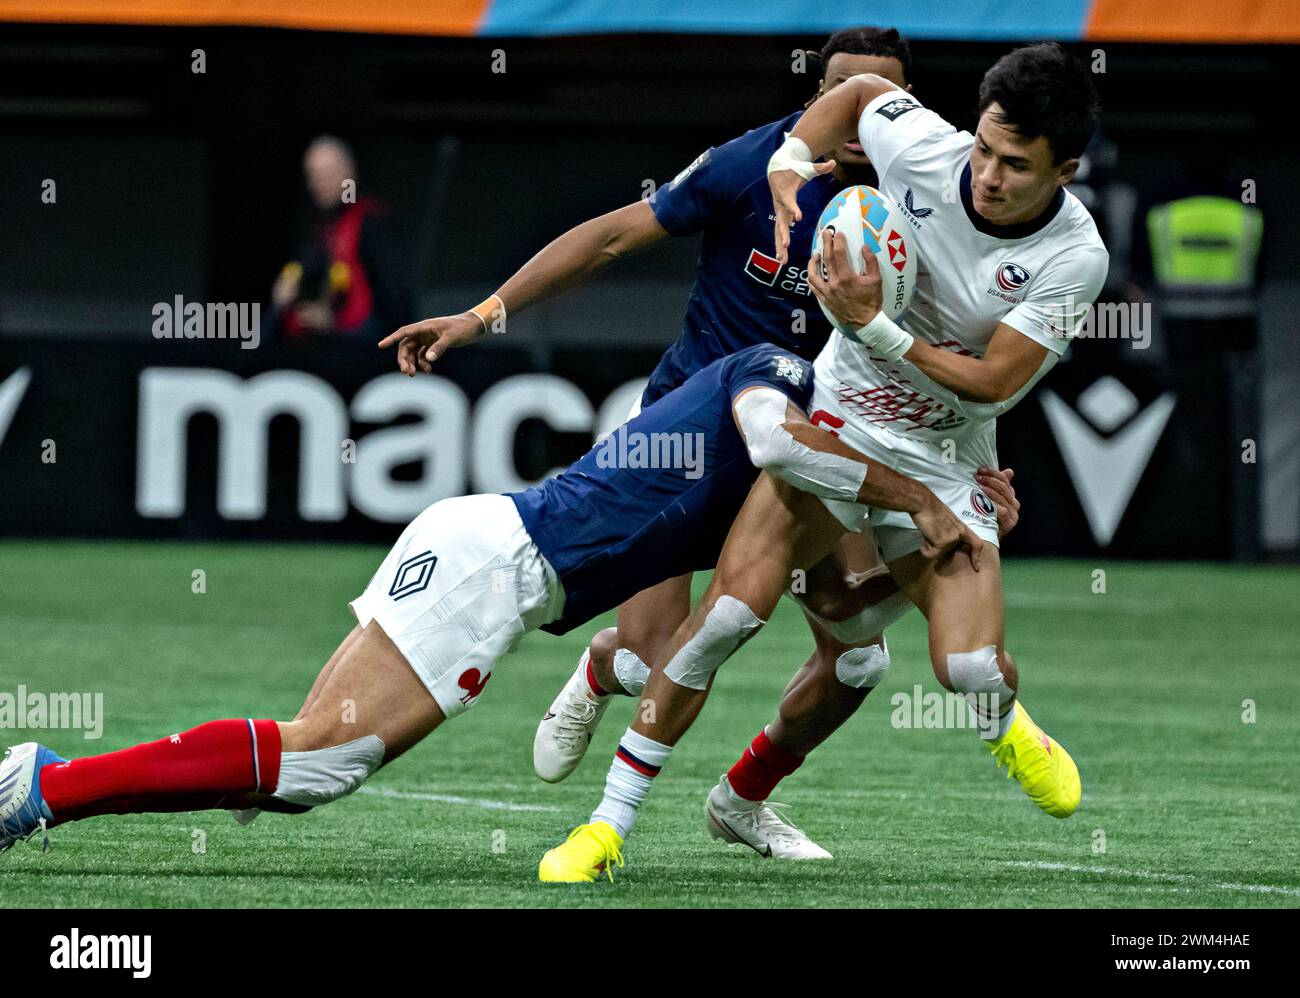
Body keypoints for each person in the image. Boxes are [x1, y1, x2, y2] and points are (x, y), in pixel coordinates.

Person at [0, 344, 978, 856]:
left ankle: (54, 783)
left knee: (305, 762)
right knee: (319, 760)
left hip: (497, 560)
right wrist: (925, 496)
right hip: (495, 561)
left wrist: (953, 531)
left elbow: (845, 602)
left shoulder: (829, 467)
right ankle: (41, 784)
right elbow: (771, 439)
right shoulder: (779, 375)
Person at [538, 42, 1109, 883]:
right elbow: (861, 94)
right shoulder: (922, 145)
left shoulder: (1075, 257)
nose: (986, 174)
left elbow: (992, 384)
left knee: (968, 669)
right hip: (834, 424)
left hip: (950, 452)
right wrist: (794, 158)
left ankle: (997, 719)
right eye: (984, 148)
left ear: (1065, 170)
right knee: (726, 620)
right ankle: (604, 828)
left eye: (1014, 166)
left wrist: (871, 324)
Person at [383, 27, 958, 859]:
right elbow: (613, 237)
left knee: (857, 660)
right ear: (814, 99)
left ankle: (743, 800)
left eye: (880, 99)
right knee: (667, 656)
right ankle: (605, 664)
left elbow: (956, 345)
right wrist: (481, 316)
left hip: (811, 443)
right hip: (692, 433)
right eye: (841, 94)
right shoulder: (744, 166)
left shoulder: (927, 199)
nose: (855, 115)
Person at [270, 135, 412, 340]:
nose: (319, 183)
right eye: (313, 175)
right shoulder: (321, 231)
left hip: (362, 352)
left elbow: (395, 309)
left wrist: (333, 326)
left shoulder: (373, 225)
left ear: (348, 172)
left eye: (327, 173)